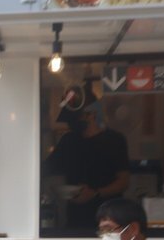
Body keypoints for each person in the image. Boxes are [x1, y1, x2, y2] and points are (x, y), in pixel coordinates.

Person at [45, 96, 130, 230]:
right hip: (75, 217)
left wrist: (95, 193)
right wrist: (56, 190)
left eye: (76, 118)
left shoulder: (114, 140)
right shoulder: (68, 140)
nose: (71, 124)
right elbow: (47, 170)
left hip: (108, 216)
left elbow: (123, 181)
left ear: (92, 114)